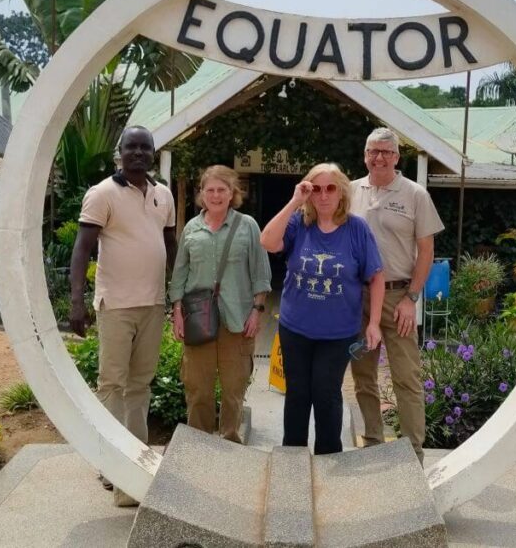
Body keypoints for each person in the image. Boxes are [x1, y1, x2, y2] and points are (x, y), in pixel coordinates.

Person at [69, 126, 176, 506]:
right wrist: (76, 301)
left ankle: (139, 456)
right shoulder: (102, 193)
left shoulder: (163, 194)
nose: (138, 153)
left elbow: (169, 245)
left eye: (145, 147)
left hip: (152, 304)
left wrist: (173, 294)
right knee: (112, 383)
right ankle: (110, 462)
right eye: (131, 147)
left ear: (152, 152)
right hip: (115, 304)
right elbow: (81, 250)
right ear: (120, 151)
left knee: (141, 385)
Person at [261, 163, 384, 455]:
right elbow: (267, 241)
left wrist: (374, 323)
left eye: (331, 188)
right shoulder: (298, 223)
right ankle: (293, 460)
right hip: (296, 328)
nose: (324, 195)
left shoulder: (356, 229)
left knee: (326, 394)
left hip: (338, 333)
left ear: (341, 192)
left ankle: (329, 461)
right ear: (309, 192)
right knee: (297, 395)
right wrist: (294, 201)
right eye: (316, 189)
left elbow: (376, 276)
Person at [349, 127, 444, 464]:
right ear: (364, 155)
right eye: (373, 151)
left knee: (407, 377)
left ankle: (413, 452)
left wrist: (412, 298)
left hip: (398, 298)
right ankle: (373, 442)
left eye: (386, 152)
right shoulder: (350, 192)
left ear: (397, 157)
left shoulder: (415, 194)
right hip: (357, 301)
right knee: (362, 375)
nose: (379, 158)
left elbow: (427, 252)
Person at [169, 165, 272, 443]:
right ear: (201, 193)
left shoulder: (247, 225)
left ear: (232, 193)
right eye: (210, 190)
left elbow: (261, 274)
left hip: (237, 321)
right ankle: (199, 446)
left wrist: (257, 311)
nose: (215, 195)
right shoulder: (192, 227)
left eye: (221, 190)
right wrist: (177, 311)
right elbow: (179, 274)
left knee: (233, 390)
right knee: (198, 389)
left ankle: (230, 445)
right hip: (198, 319)